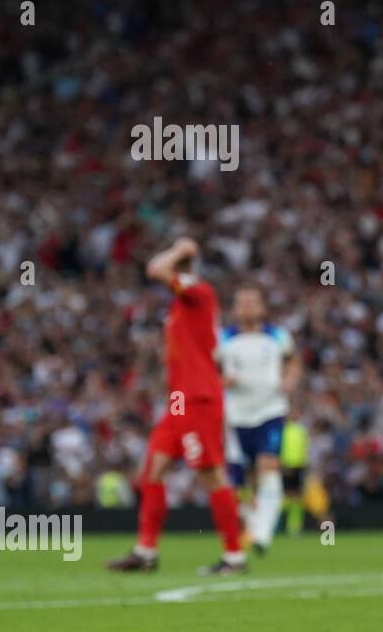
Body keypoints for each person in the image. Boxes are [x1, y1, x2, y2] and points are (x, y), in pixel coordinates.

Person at [106, 238, 245, 575]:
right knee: (152, 470)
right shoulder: (181, 305)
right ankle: (146, 552)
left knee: (210, 475)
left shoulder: (199, 294)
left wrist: (181, 250)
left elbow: (155, 268)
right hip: (179, 400)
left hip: (198, 398)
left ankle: (234, 556)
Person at [217, 285, 300, 554]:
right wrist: (222, 381)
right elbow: (208, 371)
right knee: (239, 479)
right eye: (242, 303)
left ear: (263, 308)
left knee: (268, 466)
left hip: (269, 411)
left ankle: (262, 534)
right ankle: (252, 523)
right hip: (236, 415)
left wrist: (289, 380)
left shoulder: (277, 336)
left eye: (253, 303)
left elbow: (293, 361)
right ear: (235, 309)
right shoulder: (224, 339)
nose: (248, 308)